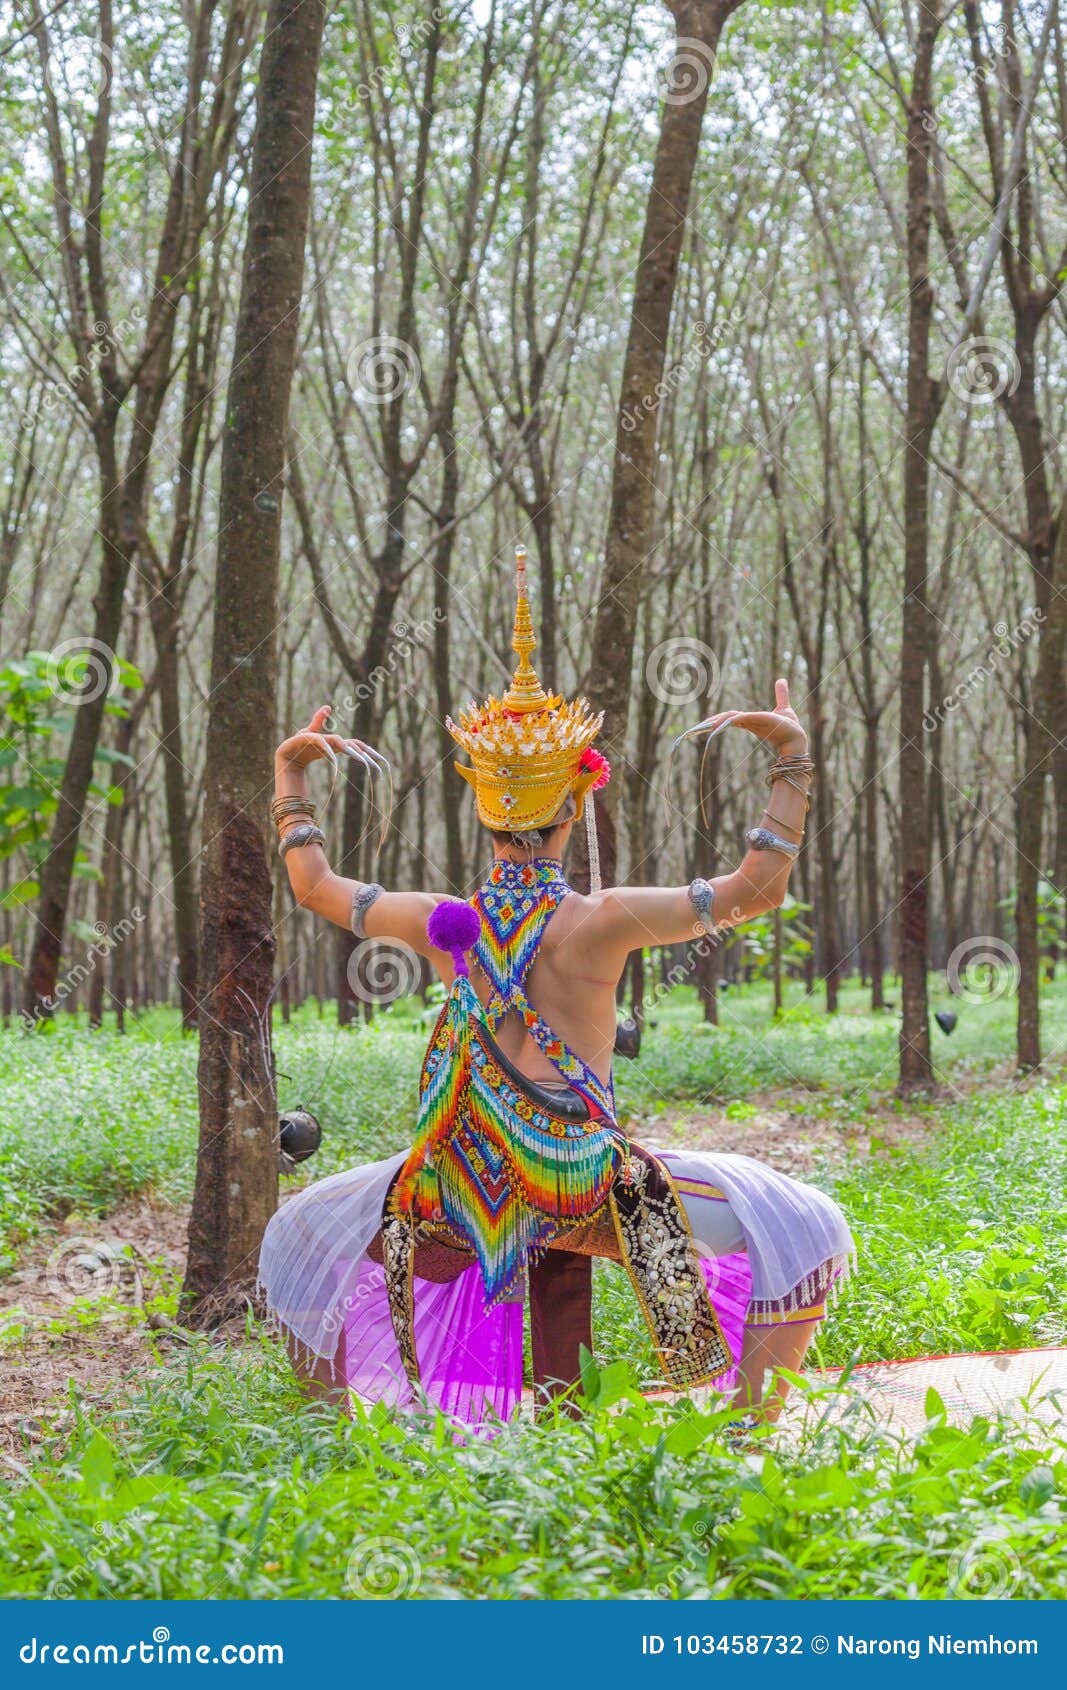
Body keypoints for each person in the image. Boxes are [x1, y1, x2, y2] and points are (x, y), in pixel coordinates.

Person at [259, 549, 852, 1427]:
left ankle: (334, 1435)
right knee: (811, 1229)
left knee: (296, 1235)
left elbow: (315, 888)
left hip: (449, 1189)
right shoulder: (604, 920)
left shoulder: (439, 920)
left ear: (484, 814)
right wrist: (791, 759)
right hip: (579, 1184)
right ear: (574, 808)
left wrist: (291, 777)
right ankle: (747, 1431)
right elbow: (753, 891)